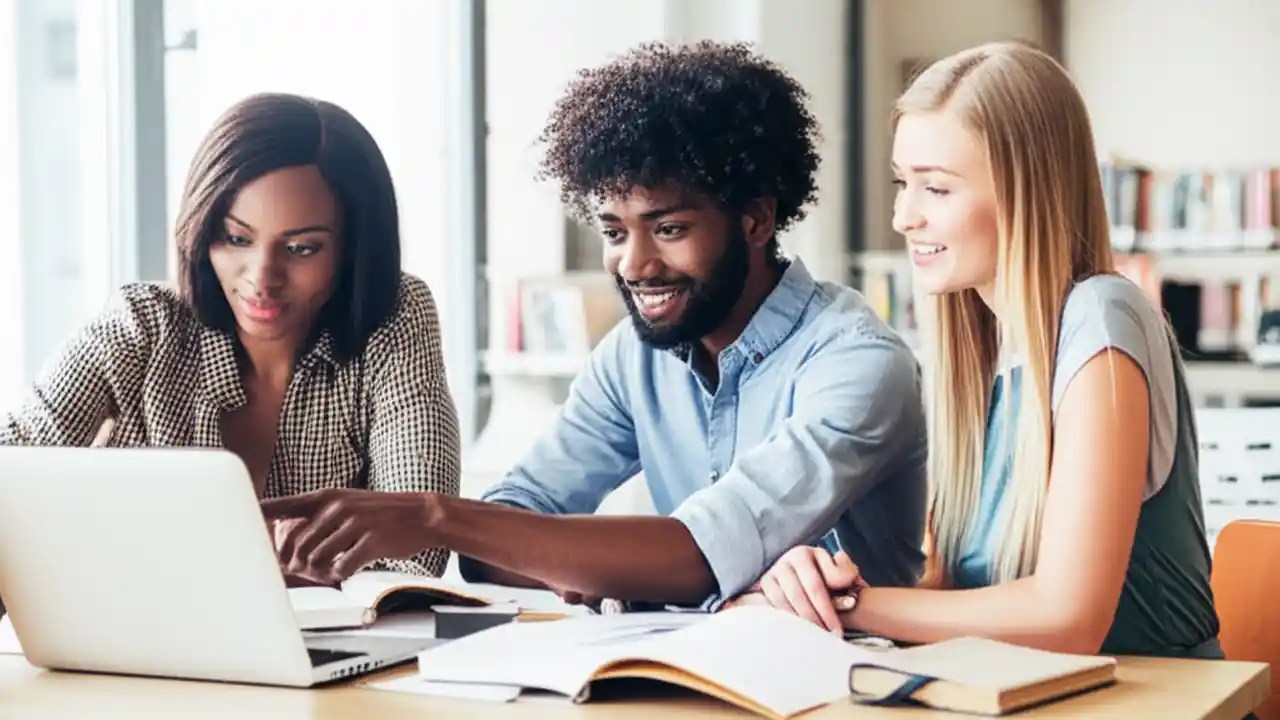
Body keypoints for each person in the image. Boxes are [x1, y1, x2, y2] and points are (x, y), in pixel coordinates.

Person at [263, 41, 927, 617]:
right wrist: (599, 565)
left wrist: (441, 518)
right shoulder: (634, 357)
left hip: (853, 679)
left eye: (669, 229)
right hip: (689, 673)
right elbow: (508, 529)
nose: (634, 265)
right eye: (614, 232)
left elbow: (703, 554)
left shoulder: (858, 363)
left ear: (756, 220)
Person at [733, 41, 1222, 658]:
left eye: (936, 189)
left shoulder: (1101, 316)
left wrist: (842, 606)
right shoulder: (983, 357)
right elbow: (950, 594)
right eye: (901, 183)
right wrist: (810, 583)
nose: (904, 216)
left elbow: (1066, 618)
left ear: (1026, 193)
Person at [0, 93, 461, 583]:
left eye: (302, 248)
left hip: (318, 651)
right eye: (237, 239)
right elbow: (12, 468)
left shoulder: (394, 319)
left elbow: (418, 553)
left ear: (353, 250)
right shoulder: (142, 324)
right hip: (128, 645)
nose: (262, 277)